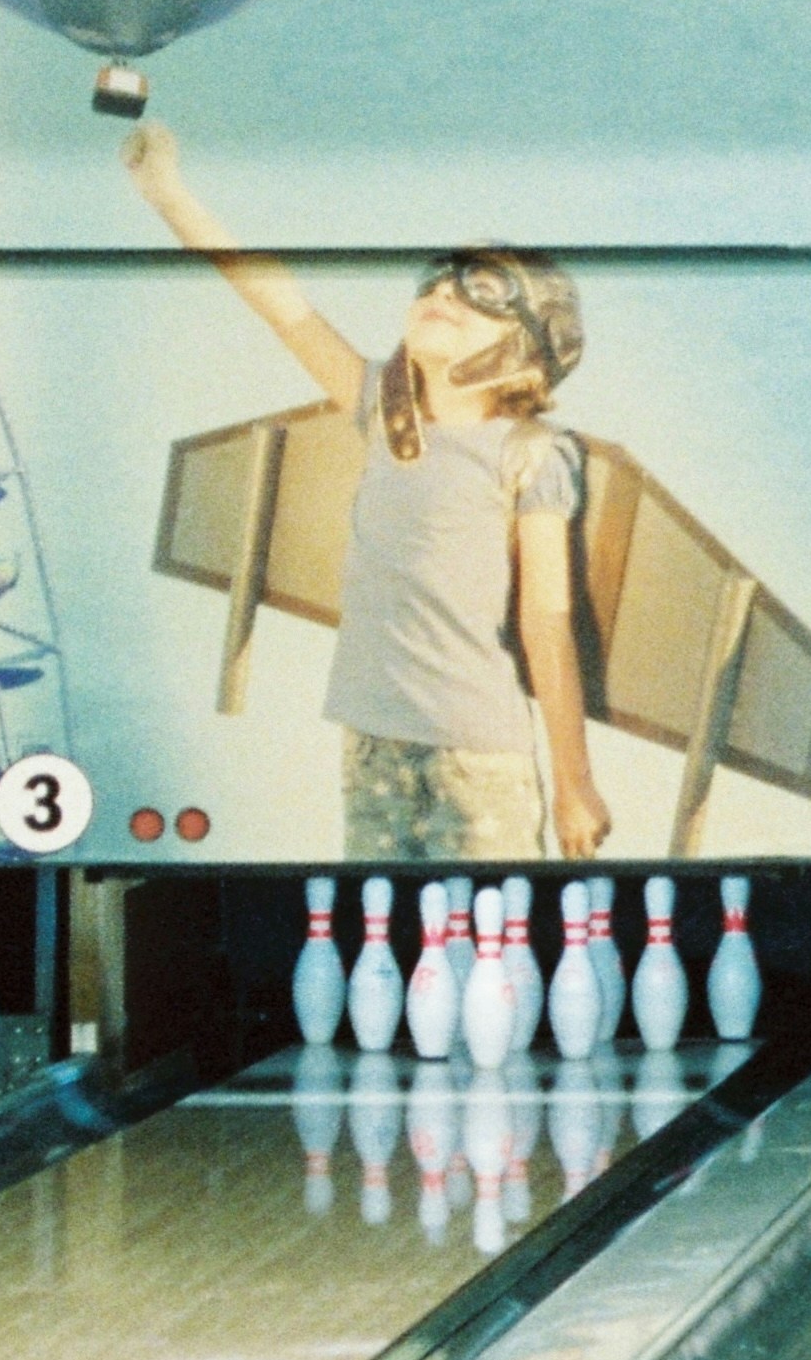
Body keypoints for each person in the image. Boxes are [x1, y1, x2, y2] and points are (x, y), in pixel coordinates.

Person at [122, 123, 611, 862]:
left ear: (523, 346)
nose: (443, 292)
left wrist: (574, 783)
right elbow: (281, 304)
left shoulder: (529, 451)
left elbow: (547, 620)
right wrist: (169, 194)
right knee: (390, 945)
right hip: (372, 745)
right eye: (436, 282)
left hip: (475, 761)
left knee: (480, 956)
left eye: (478, 291)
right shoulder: (385, 416)